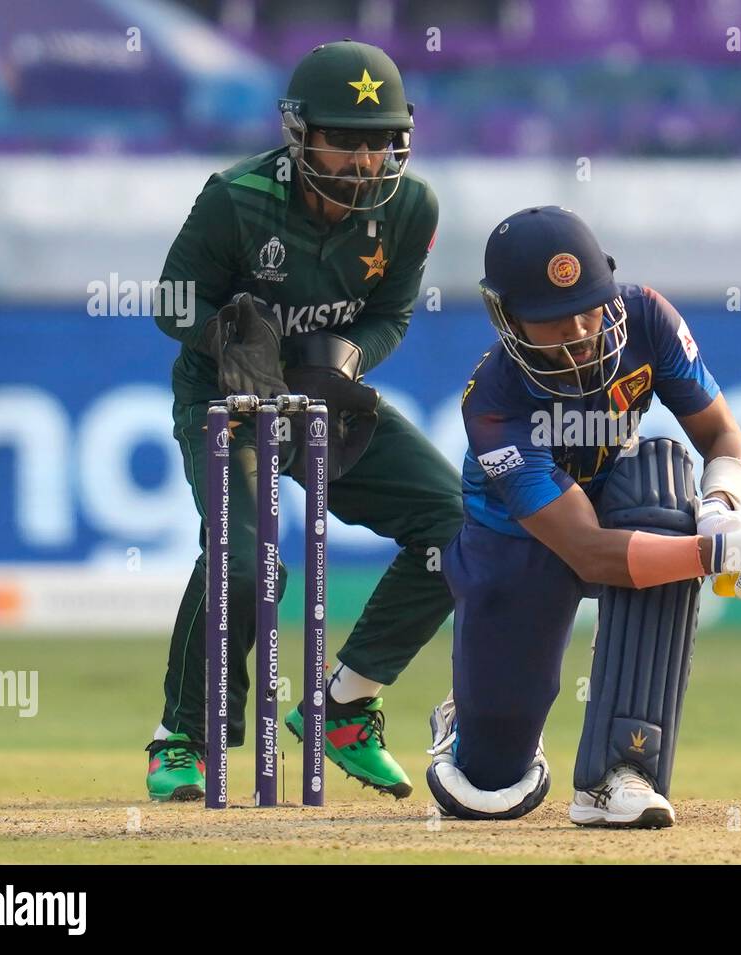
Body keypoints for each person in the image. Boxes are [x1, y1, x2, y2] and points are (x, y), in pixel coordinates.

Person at [426, 206, 741, 828]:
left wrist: (725, 509)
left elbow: (724, 435)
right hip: (519, 541)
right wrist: (720, 554)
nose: (581, 331)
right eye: (551, 319)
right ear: (506, 316)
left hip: (613, 497)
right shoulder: (493, 401)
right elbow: (587, 551)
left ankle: (622, 770)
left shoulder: (646, 317)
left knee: (666, 485)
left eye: (589, 306)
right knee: (489, 787)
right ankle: (473, 719)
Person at [147, 41, 461, 802]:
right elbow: (170, 303)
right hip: (227, 401)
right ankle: (182, 736)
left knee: (456, 525)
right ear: (301, 134)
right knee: (249, 565)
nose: (363, 161)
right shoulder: (236, 197)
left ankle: (343, 707)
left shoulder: (412, 206)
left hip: (323, 401)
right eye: (346, 140)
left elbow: (391, 313)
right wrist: (230, 334)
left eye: (379, 141)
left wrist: (347, 359)